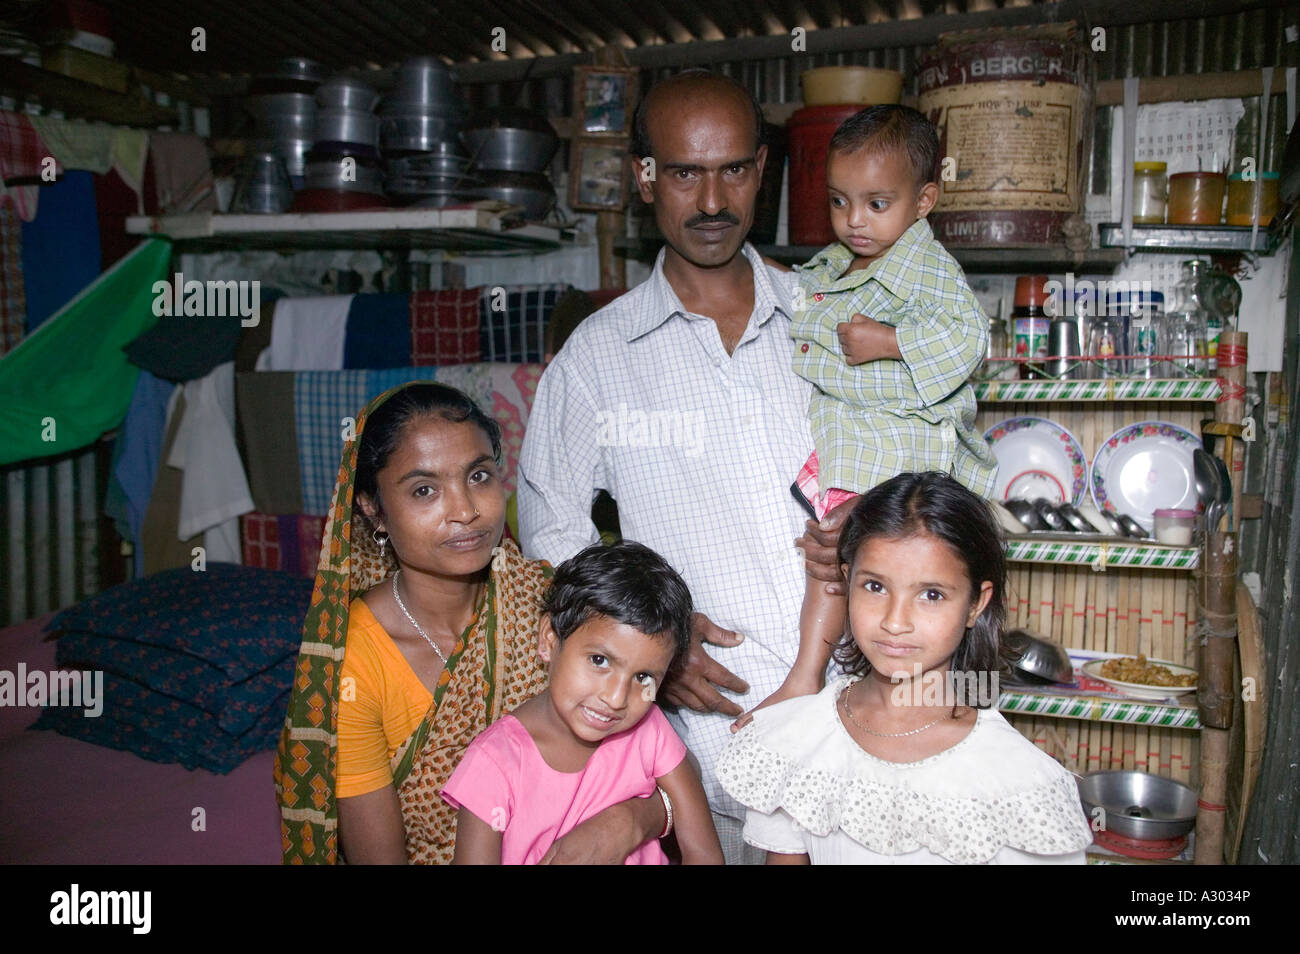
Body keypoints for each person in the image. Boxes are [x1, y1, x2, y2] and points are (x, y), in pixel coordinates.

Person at [517, 70, 851, 865]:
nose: (711, 201)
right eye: (684, 173)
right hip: (709, 757)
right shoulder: (598, 360)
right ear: (643, 178)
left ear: (763, 172)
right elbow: (549, 529)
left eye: (734, 169)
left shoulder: (831, 323)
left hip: (858, 728)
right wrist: (648, 650)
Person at [274, 382, 668, 864]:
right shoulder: (354, 661)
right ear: (374, 511)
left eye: (479, 476)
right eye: (425, 490)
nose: (465, 510)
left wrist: (633, 820)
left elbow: (648, 764)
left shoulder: (547, 603)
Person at [717, 472, 1093, 864]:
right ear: (848, 580)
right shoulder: (795, 741)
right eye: (875, 587)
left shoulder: (1021, 782)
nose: (895, 622)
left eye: (931, 595)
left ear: (976, 604)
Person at [770, 104, 1000, 715]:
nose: (854, 221)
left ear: (924, 201)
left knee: (855, 565)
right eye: (840, 202)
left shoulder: (926, 267)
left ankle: (810, 675)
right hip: (856, 437)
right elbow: (806, 284)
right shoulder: (844, 261)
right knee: (845, 565)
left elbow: (970, 335)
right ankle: (850, 688)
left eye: (877, 203)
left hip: (898, 444)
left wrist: (890, 342)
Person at [444, 541, 724, 864]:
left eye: (643, 677)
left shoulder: (650, 730)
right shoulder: (496, 763)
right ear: (549, 640)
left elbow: (704, 852)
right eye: (599, 660)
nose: (616, 698)